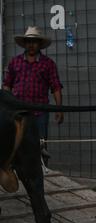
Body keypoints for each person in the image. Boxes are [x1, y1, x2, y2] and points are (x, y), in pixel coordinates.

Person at [3, 26, 64, 165]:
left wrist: (59, 108)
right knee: (15, 144)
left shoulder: (48, 64)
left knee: (40, 145)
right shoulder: (15, 62)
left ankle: (42, 174)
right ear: (24, 43)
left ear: (39, 44)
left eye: (34, 41)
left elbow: (55, 87)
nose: (31, 45)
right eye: (28, 41)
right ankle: (16, 172)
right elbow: (7, 84)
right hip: (18, 112)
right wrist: (7, 106)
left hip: (40, 112)